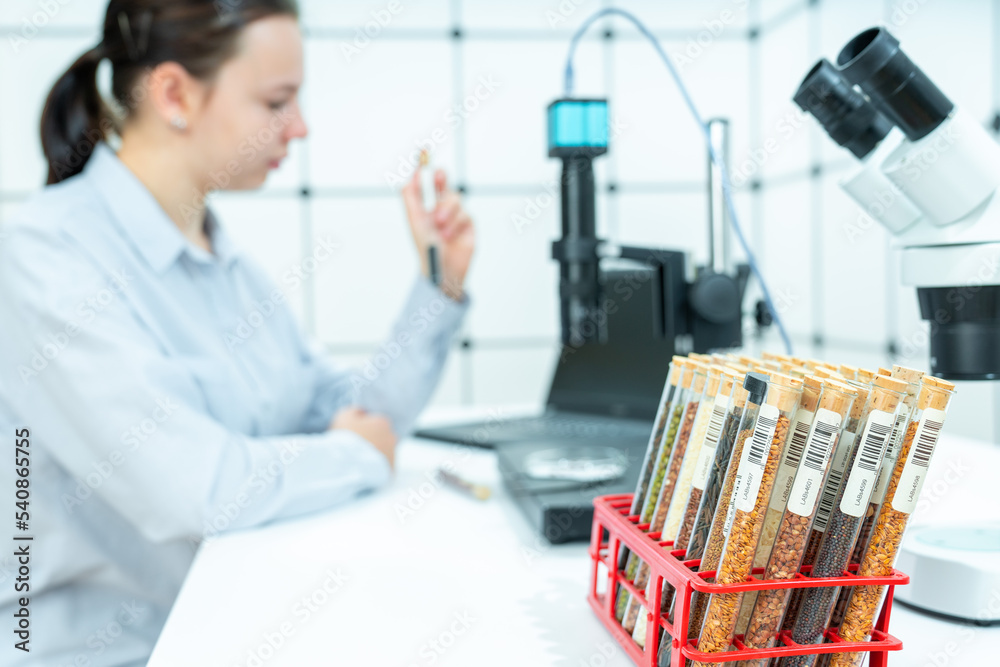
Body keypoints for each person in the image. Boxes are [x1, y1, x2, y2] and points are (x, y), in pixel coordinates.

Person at [0, 1, 474, 665]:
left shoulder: (224, 264)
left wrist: (439, 286)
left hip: (228, 629)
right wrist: (356, 454)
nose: (301, 126)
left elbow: (355, 415)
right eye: (277, 101)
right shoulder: (41, 257)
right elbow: (198, 488)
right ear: (174, 94)